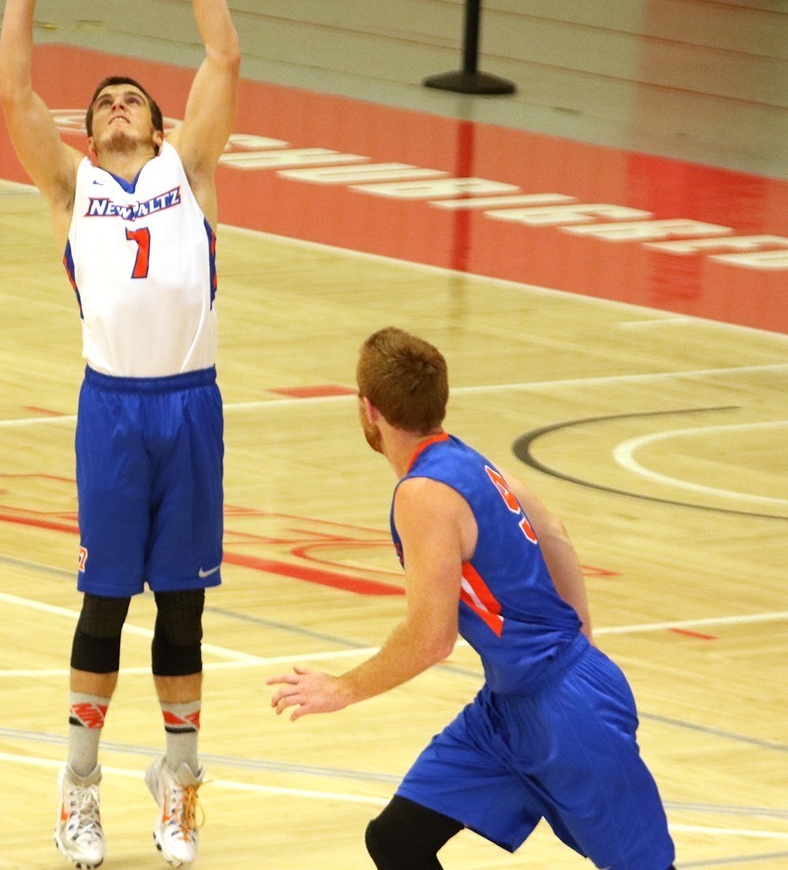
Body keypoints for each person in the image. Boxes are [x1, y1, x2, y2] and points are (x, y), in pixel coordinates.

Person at [0, 0, 240, 870]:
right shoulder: (71, 188)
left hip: (190, 405)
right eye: (101, 106)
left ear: (160, 122)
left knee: (181, 608)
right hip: (114, 411)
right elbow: (14, 93)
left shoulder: (193, 170)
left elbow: (222, 54)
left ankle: (178, 783)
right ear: (87, 134)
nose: (116, 109)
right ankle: (79, 782)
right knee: (106, 602)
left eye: (131, 98)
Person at [267, 327, 676, 870]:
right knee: (397, 841)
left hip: (566, 709)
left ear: (368, 409)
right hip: (509, 710)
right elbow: (553, 530)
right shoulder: (466, 458)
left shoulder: (422, 494)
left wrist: (343, 688)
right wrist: (583, 635)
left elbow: (432, 639)